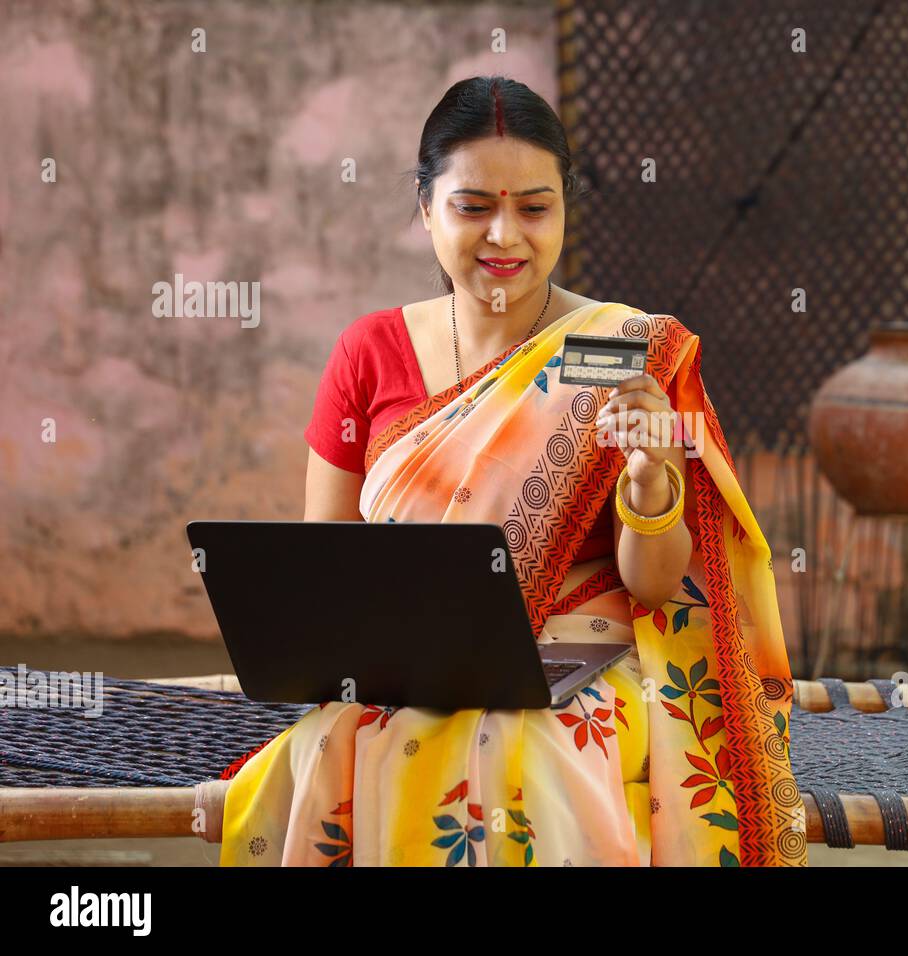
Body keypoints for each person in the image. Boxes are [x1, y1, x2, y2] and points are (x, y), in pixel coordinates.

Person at [219, 75, 806, 867]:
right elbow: (325, 561)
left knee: (524, 749)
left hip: (577, 661)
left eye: (535, 208)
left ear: (563, 210)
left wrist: (648, 484)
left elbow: (659, 589)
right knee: (338, 746)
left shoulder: (629, 350)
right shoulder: (369, 353)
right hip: (400, 660)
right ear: (425, 209)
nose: (506, 236)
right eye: (472, 207)